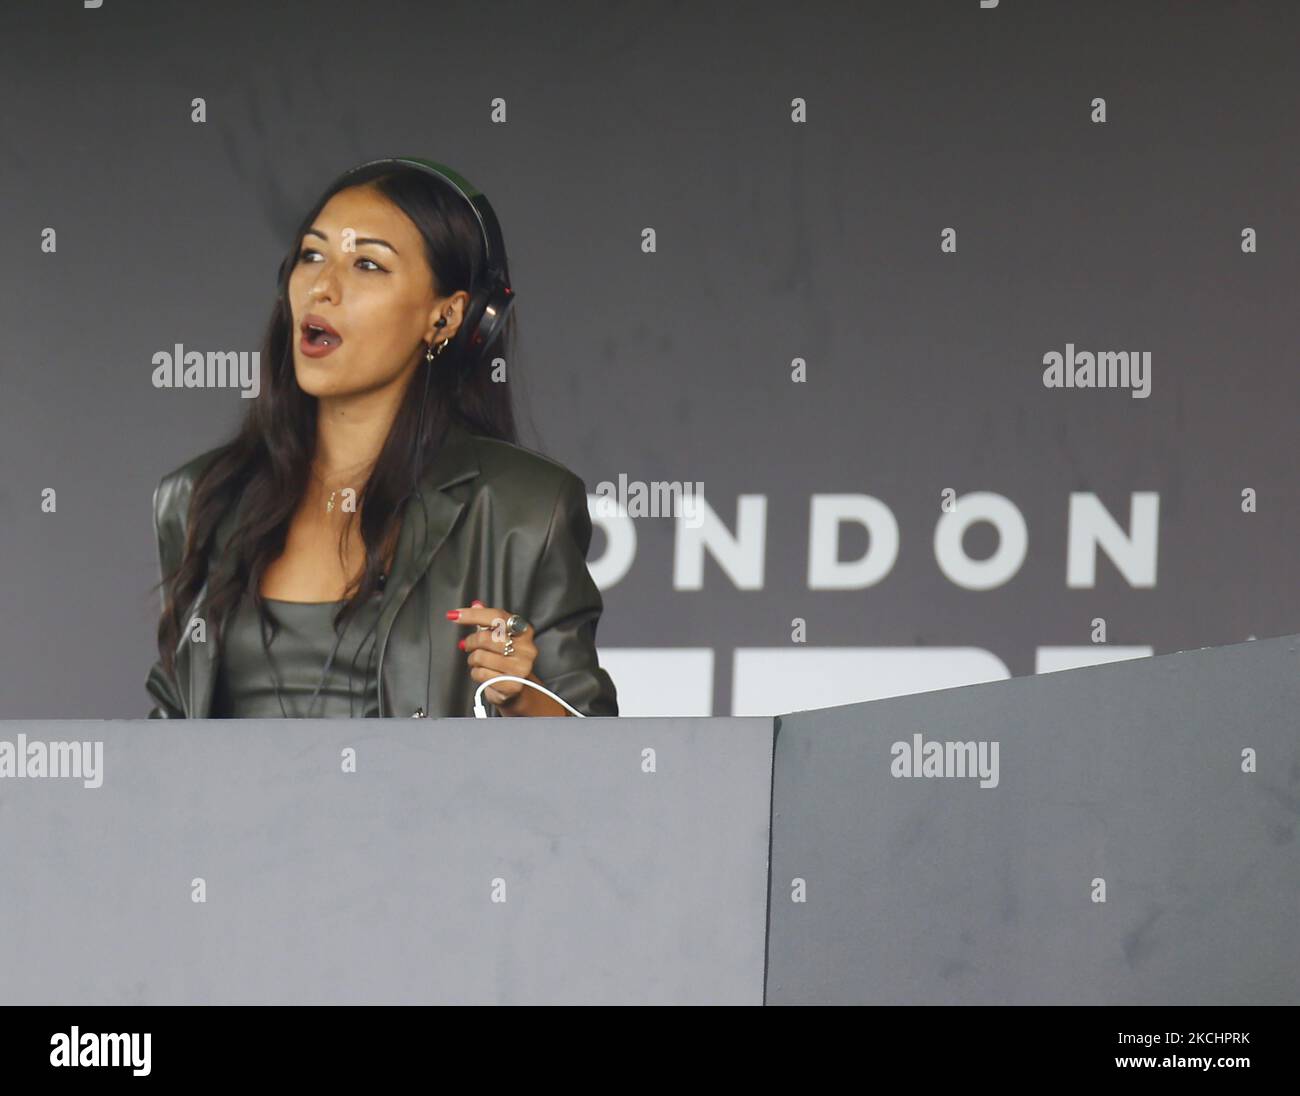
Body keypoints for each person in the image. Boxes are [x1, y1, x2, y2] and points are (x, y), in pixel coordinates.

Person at [145, 157, 618, 720]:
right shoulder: (199, 498)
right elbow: (168, 731)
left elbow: (592, 760)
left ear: (445, 318)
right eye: (311, 256)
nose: (322, 287)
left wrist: (523, 695)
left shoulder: (525, 508)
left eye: (367, 264)